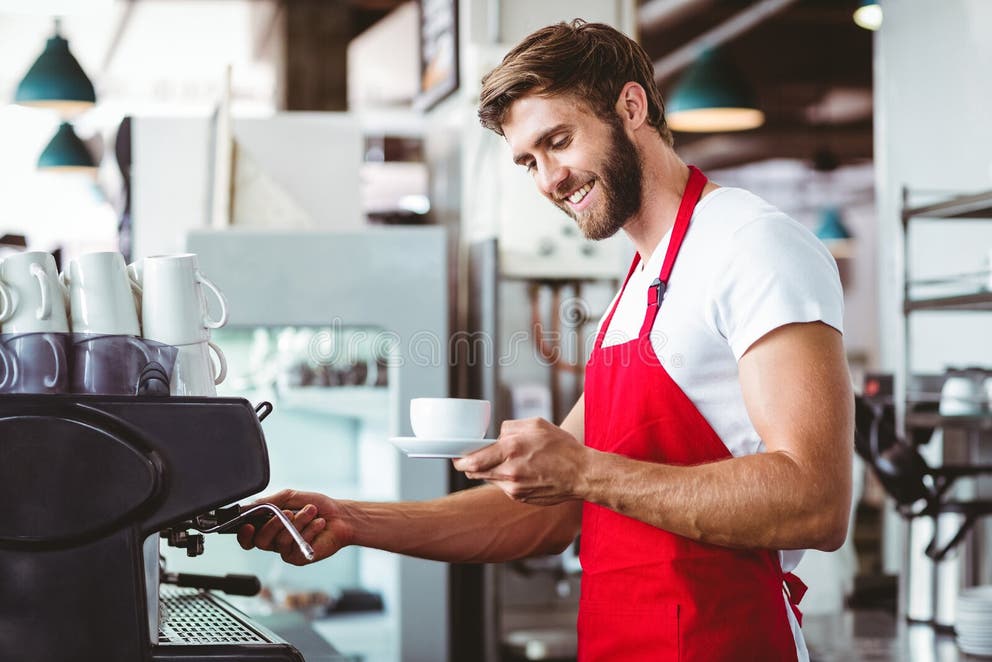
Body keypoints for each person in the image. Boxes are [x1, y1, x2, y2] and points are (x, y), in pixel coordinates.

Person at [239, 19, 853, 661]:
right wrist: (351, 520)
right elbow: (549, 514)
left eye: (558, 141)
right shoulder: (637, 285)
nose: (548, 180)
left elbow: (816, 499)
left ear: (632, 106)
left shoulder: (751, 243)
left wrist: (584, 471)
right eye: (529, 160)